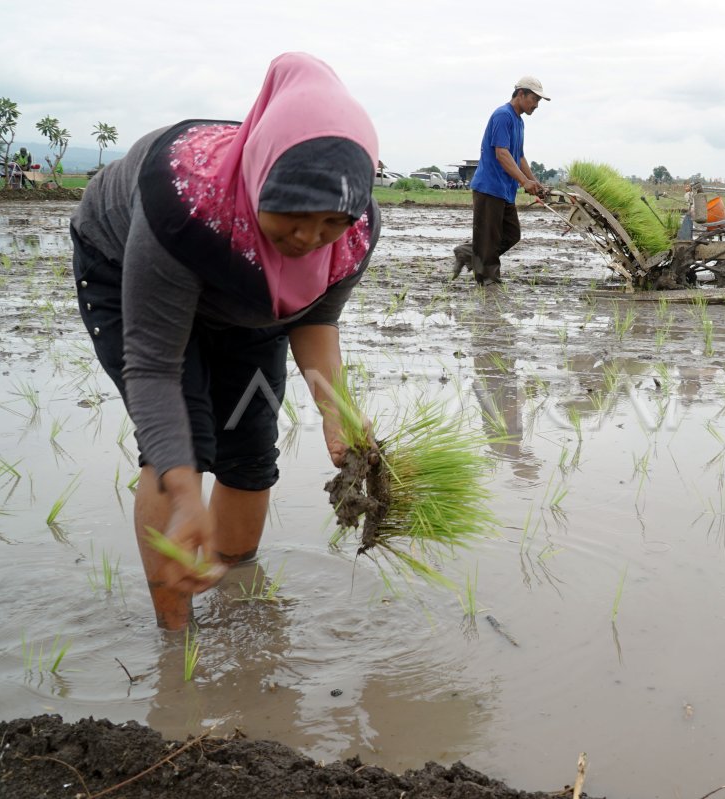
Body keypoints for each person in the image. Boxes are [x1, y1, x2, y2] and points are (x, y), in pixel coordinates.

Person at [69, 52, 381, 630]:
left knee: (251, 442)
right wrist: (186, 493)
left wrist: (337, 414)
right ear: (260, 178)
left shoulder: (354, 232)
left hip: (251, 301)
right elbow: (155, 367)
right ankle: (177, 637)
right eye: (292, 213)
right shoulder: (184, 202)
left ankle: (238, 610)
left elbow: (315, 319)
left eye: (331, 221)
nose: (310, 237)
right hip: (129, 265)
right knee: (181, 440)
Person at [452, 76, 550, 286]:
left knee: (511, 235)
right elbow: (502, 154)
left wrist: (534, 181)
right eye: (534, 99)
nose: (536, 105)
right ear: (521, 94)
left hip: (505, 189)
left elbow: (519, 156)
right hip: (490, 188)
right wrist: (524, 182)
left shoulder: (518, 121)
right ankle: (489, 283)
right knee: (489, 238)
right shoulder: (503, 116)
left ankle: (467, 252)